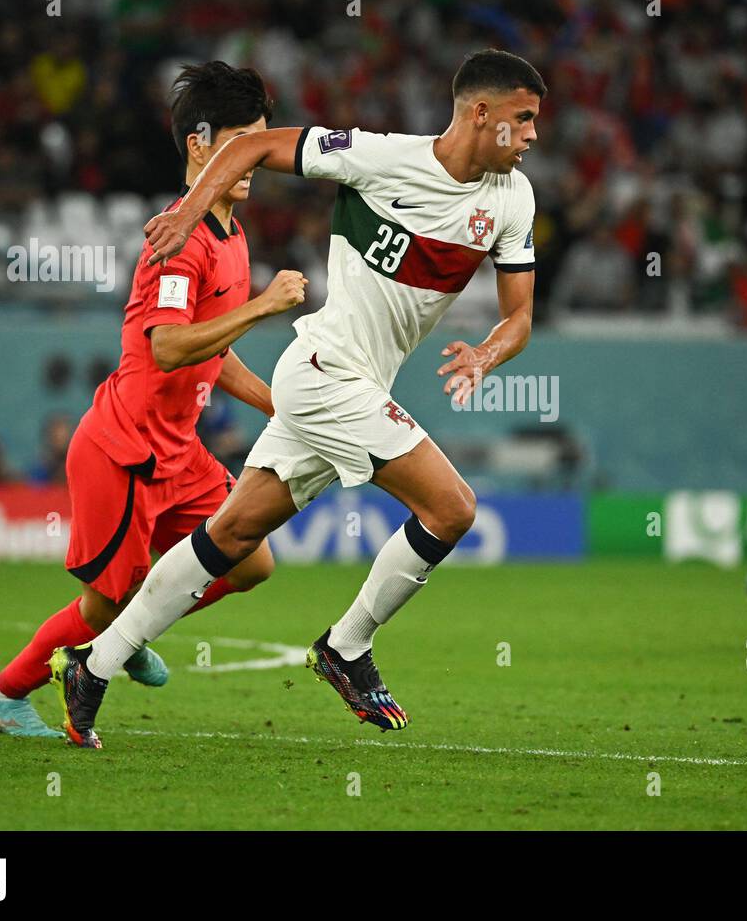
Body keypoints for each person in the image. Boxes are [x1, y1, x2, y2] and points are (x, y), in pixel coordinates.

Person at [50, 48, 543, 748]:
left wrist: (486, 353)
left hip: (349, 384)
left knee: (230, 536)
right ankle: (346, 646)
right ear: (481, 113)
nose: (532, 136)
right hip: (325, 375)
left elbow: (520, 316)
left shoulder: (513, 199)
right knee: (453, 507)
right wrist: (189, 213)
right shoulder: (379, 158)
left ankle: (92, 667)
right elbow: (250, 146)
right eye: (523, 119)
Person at [0, 62, 306, 737]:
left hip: (179, 451)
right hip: (126, 449)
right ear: (199, 145)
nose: (258, 157)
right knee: (101, 607)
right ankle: (2, 693)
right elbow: (170, 347)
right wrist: (265, 306)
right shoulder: (175, 238)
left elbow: (212, 349)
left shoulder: (233, 235)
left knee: (252, 559)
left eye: (262, 142)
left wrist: (277, 404)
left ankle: (123, 635)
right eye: (243, 141)